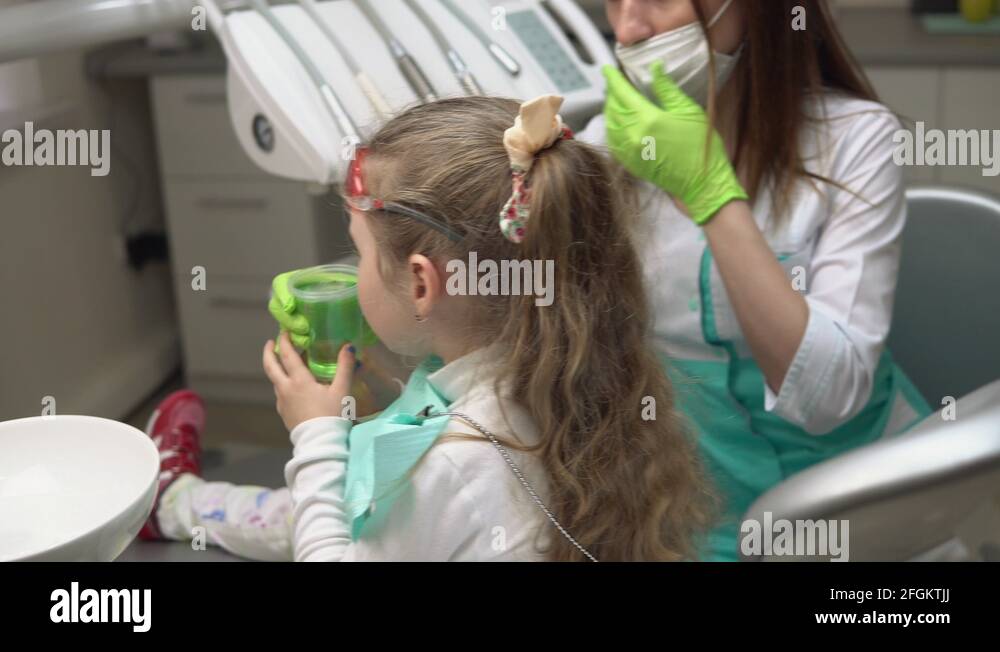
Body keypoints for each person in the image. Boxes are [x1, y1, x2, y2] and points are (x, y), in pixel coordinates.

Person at [138, 94, 713, 562]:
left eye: (358, 251)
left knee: (311, 507)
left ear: (421, 284)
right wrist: (379, 385)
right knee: (298, 512)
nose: (353, 269)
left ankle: (171, 500)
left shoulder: (454, 466)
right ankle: (176, 502)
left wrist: (314, 434)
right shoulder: (570, 367)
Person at [581, 0, 931, 559]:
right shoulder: (610, 146)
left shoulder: (855, 141)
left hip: (867, 514)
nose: (629, 29)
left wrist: (710, 195)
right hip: (696, 522)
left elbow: (828, 397)